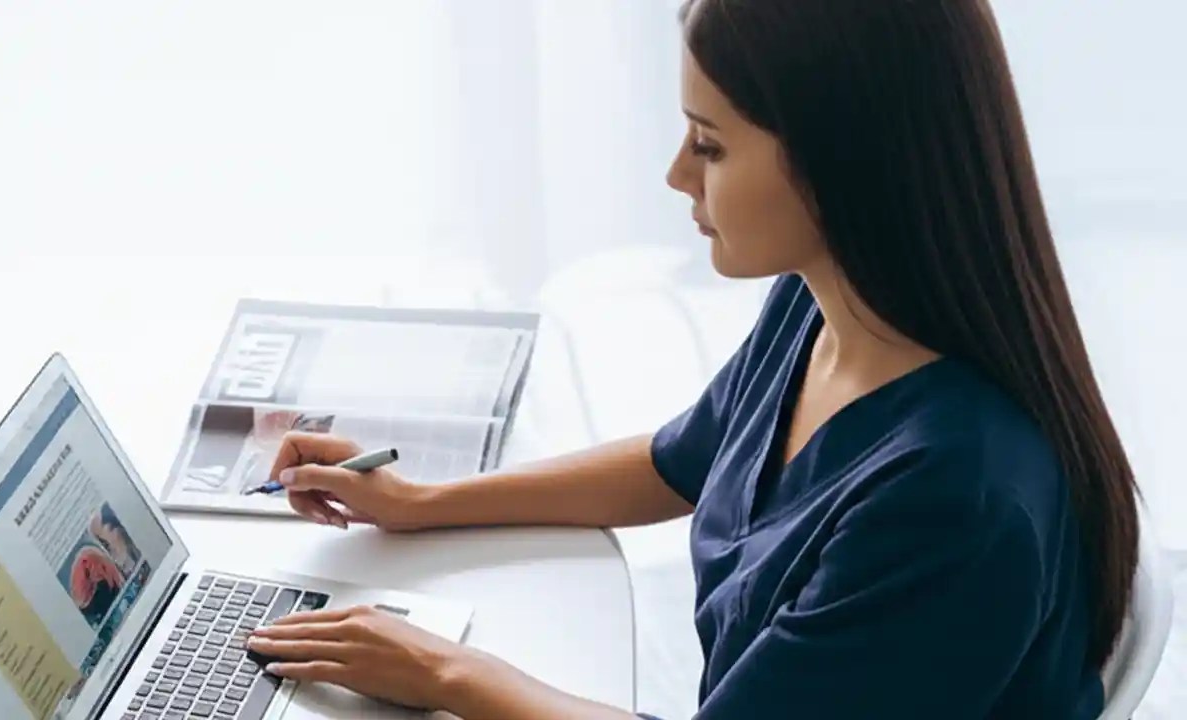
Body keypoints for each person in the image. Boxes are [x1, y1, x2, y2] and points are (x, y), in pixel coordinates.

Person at [244, 0, 1139, 717]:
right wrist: (422, 502)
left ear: (843, 162)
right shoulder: (827, 305)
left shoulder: (953, 502)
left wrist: (448, 675)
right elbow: (680, 461)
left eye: (708, 143)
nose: (677, 174)